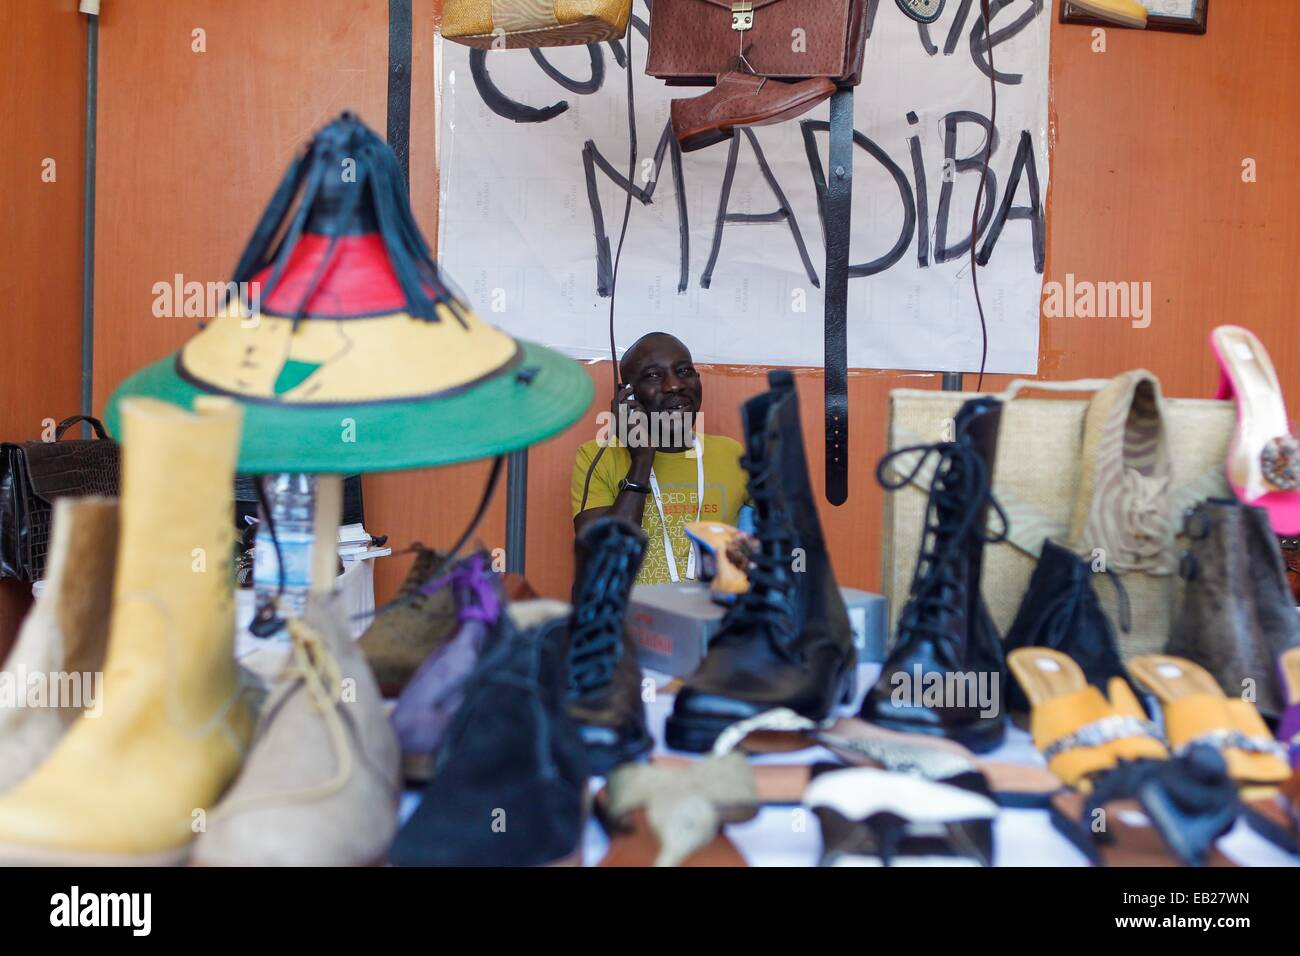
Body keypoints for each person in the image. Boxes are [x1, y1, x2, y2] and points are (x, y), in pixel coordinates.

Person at [571, 333, 750, 584]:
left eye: (684, 371)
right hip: (629, 620)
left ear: (698, 380)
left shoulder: (732, 453)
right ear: (628, 396)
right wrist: (642, 459)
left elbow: (778, 539)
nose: (674, 385)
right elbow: (603, 559)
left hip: (712, 618)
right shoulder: (596, 457)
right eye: (654, 375)